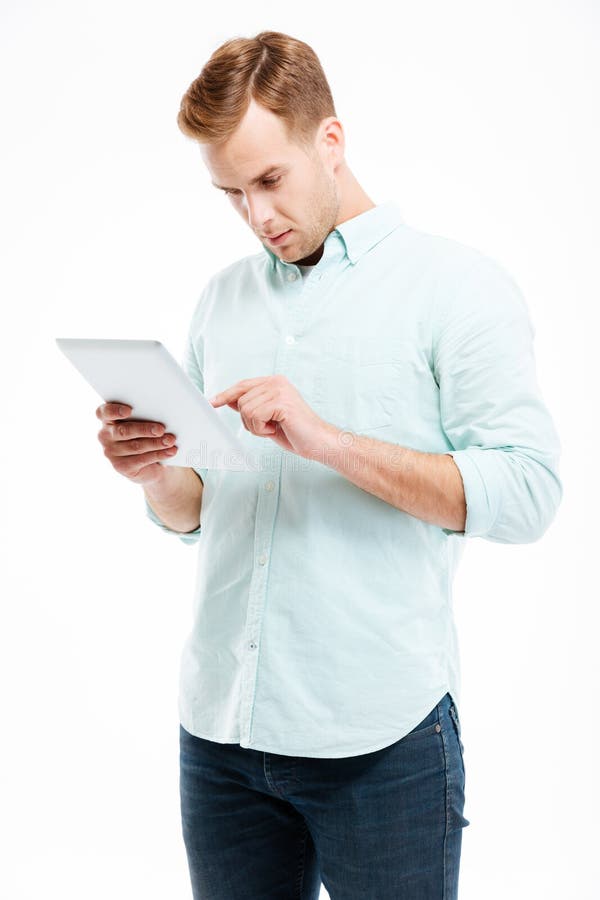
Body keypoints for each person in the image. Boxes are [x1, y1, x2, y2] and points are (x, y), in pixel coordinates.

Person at [95, 30, 563, 900]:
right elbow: (199, 513)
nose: (257, 215)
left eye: (270, 179)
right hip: (221, 735)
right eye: (232, 193)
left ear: (331, 141)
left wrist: (329, 442)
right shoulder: (222, 299)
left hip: (381, 746)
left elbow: (530, 492)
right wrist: (154, 471)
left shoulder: (455, 288)